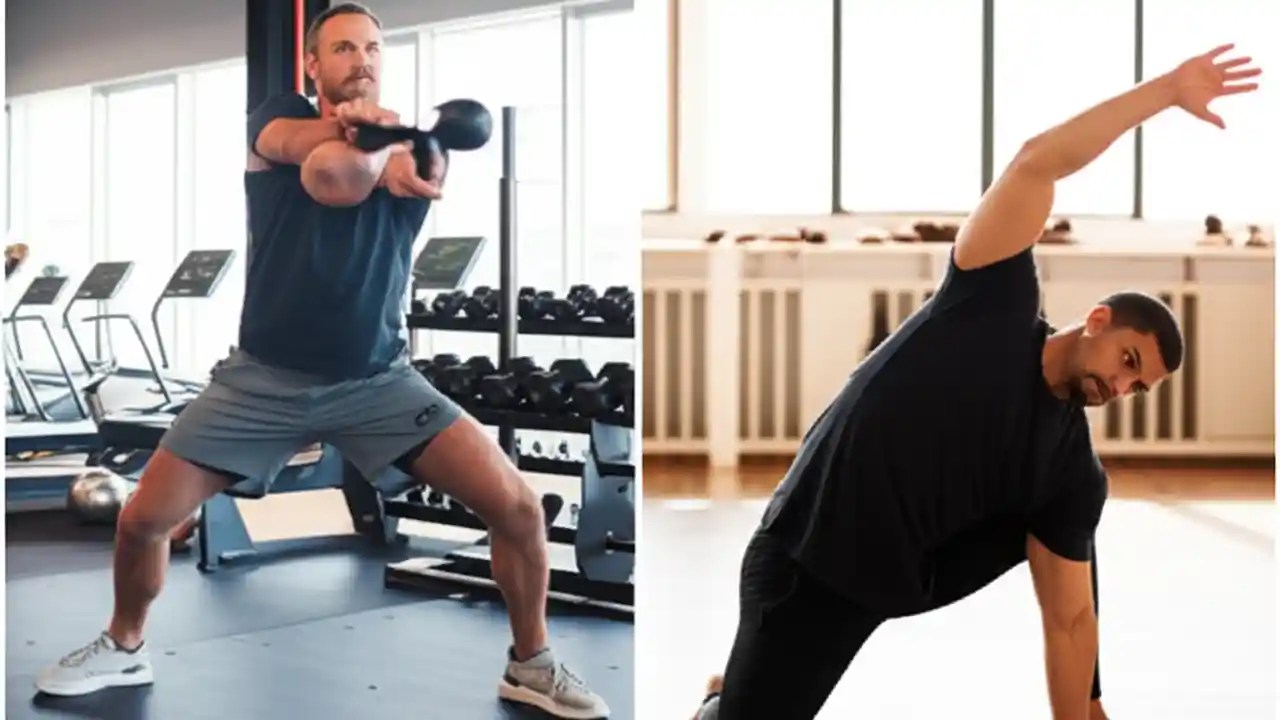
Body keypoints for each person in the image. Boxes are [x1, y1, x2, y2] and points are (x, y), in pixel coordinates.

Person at [34, 4, 610, 718]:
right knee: (141, 521)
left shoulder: (410, 147)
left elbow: (412, 173)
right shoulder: (279, 119)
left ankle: (531, 663)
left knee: (519, 509)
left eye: (372, 47)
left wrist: (401, 140)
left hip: (378, 381)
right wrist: (369, 132)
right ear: (314, 64)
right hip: (260, 382)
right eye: (342, 47)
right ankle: (124, 646)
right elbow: (317, 168)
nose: (361, 59)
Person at [694, 44, 1261, 720]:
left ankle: (1089, 705)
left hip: (891, 579)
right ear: (1098, 322)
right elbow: (1035, 162)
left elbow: (1072, 619)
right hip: (805, 557)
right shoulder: (992, 302)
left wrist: (1081, 708)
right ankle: (725, 700)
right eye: (1129, 361)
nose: (1121, 386)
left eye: (1138, 388)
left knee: (1074, 509)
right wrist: (1166, 91)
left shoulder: (1068, 465)